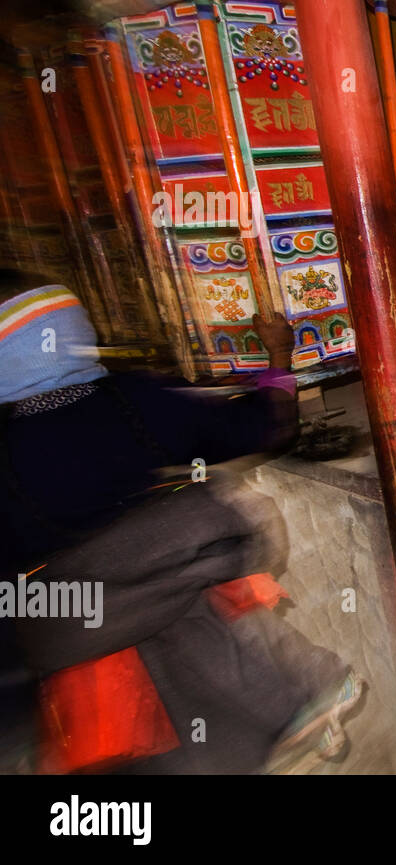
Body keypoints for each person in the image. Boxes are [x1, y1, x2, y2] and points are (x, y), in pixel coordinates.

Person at [0, 269, 360, 773]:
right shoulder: (134, 402)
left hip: (80, 659)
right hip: (184, 616)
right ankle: (301, 698)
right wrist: (277, 358)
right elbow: (268, 427)